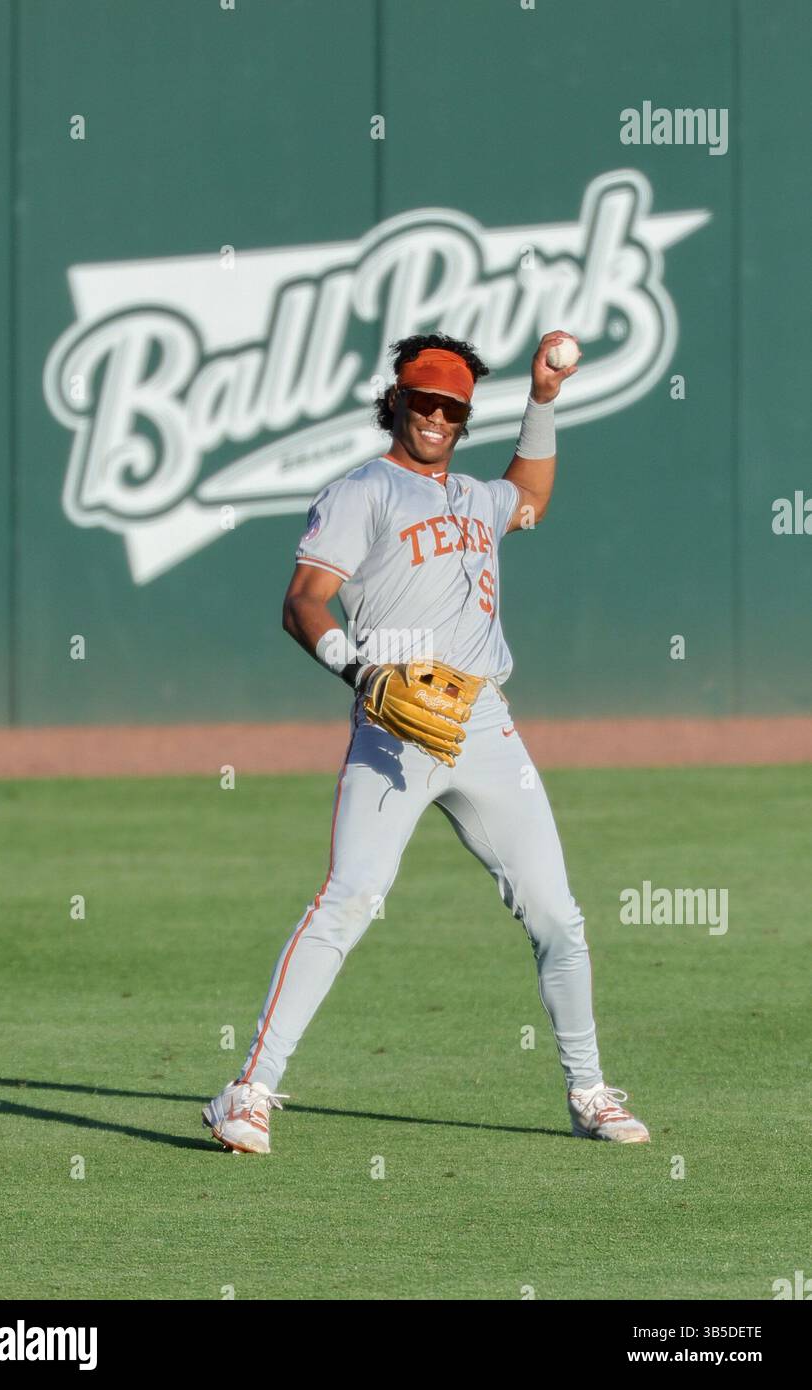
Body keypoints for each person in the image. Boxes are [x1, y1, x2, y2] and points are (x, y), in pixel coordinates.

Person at [202, 330, 650, 1153]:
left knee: (557, 914)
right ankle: (248, 1092)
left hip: (484, 724)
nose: (438, 416)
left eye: (453, 406)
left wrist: (543, 400)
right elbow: (304, 601)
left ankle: (589, 1091)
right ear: (397, 402)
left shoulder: (477, 497)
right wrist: (358, 672)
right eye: (426, 400)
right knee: (351, 899)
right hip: (392, 723)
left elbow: (532, 497)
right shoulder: (362, 491)